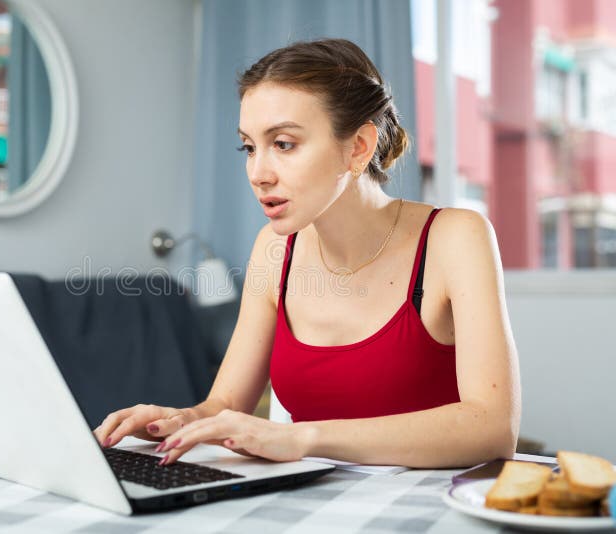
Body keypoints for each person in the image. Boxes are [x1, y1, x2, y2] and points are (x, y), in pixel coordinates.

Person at [94, 38, 521, 468]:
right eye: (249, 147)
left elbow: (492, 428)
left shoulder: (455, 239)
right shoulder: (274, 249)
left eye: (283, 144)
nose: (258, 174)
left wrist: (303, 437)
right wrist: (179, 420)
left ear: (358, 147)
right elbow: (226, 404)